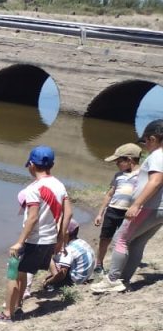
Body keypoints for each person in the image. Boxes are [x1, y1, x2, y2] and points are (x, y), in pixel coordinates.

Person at [0, 146, 71, 324]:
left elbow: (32, 218)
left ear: (32, 165)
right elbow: (68, 214)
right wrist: (60, 240)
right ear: (52, 164)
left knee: (13, 273)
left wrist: (19, 242)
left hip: (34, 240)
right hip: (48, 240)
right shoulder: (59, 185)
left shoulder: (34, 188)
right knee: (22, 273)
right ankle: (17, 308)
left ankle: (7, 314)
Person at [92, 120, 163, 294]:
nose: (145, 145)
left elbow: (155, 181)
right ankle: (124, 280)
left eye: (146, 141)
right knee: (138, 242)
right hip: (159, 209)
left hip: (150, 207)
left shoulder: (157, 156)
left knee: (120, 239)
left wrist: (137, 204)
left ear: (153, 139)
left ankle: (112, 279)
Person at [93, 143, 142, 272]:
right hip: (112, 210)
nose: (116, 164)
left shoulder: (142, 175)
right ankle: (99, 264)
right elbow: (109, 194)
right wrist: (100, 213)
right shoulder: (118, 175)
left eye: (118, 161)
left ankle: (120, 265)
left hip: (128, 213)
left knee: (123, 240)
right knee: (105, 238)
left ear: (129, 160)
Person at [43, 221, 95, 289]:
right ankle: (55, 277)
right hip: (84, 276)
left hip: (75, 280)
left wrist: (48, 282)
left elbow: (62, 273)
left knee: (49, 258)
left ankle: (56, 282)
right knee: (62, 260)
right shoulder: (82, 242)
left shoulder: (68, 249)